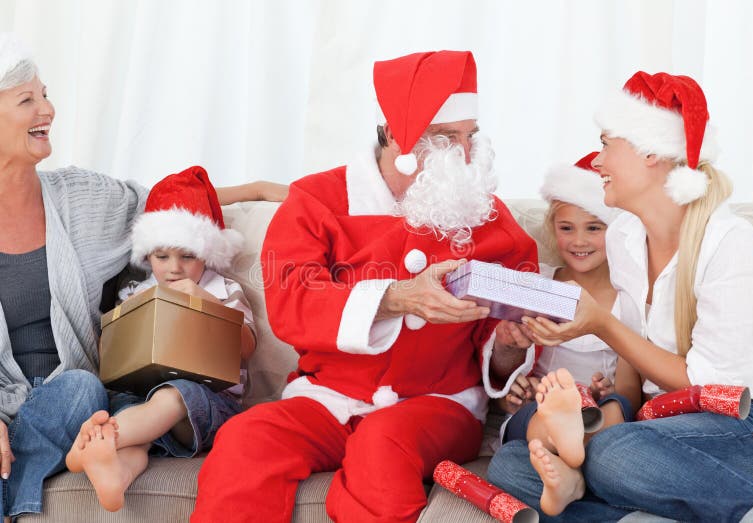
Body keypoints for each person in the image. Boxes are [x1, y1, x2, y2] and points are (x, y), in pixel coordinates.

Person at [191, 50, 540, 523]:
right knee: (245, 440)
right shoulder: (317, 200)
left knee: (383, 445)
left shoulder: (486, 215)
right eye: (445, 138)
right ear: (396, 133)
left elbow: (500, 339)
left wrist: (508, 349)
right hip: (328, 397)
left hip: (438, 404)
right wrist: (397, 296)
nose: (463, 153)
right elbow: (293, 297)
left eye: (470, 137)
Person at [0, 33, 285, 521]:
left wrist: (257, 187)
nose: (48, 108)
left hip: (67, 398)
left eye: (45, 93)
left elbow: (168, 202)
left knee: (82, 392)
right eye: (28, 99)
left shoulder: (79, 199)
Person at [492, 71, 753, 521]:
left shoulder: (728, 242)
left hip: (747, 429)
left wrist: (601, 323)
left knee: (617, 453)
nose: (596, 162)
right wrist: (614, 403)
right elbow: (632, 371)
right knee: (511, 465)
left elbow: (710, 388)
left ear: (651, 152)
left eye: (605, 144)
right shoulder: (627, 239)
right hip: (660, 427)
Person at [64, 166, 256, 512]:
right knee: (138, 415)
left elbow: (247, 346)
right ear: (147, 255)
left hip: (209, 405)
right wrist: (127, 321)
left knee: (171, 396)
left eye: (187, 256)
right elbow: (111, 353)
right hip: (144, 406)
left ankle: (102, 437)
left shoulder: (221, 289)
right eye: (161, 256)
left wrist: (204, 301)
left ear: (207, 255)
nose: (174, 268)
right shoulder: (138, 291)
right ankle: (115, 474)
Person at [491, 153, 641, 515]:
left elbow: (630, 393)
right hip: (539, 415)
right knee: (508, 462)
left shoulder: (629, 298)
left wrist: (605, 392)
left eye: (594, 227)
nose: (579, 240)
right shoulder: (536, 283)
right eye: (566, 228)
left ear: (618, 232)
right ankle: (570, 458)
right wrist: (514, 391)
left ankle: (573, 471)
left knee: (612, 413)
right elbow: (501, 385)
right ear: (552, 227)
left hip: (599, 417)